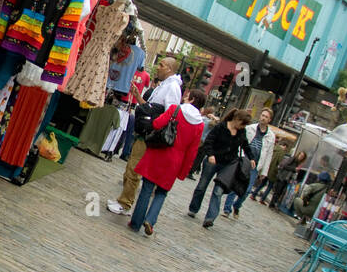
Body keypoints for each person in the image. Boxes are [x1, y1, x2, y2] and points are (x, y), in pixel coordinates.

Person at [108, 57, 184, 216]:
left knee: (134, 168)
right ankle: (123, 199)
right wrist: (138, 96)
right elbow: (151, 109)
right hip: (145, 131)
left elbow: (171, 113)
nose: (158, 68)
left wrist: (154, 127)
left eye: (161, 65)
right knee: (131, 166)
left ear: (169, 68)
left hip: (150, 134)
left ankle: (125, 203)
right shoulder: (165, 85)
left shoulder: (172, 87)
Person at [128, 92, 206, 235]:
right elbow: (192, 151)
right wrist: (183, 172)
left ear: (192, 99)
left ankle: (136, 222)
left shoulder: (175, 110)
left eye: (187, 96)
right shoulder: (199, 124)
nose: (184, 98)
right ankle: (150, 220)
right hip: (175, 160)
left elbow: (157, 124)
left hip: (159, 152)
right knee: (162, 193)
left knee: (147, 188)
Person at [187, 108, 252, 228]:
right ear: (237, 119)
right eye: (243, 124)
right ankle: (193, 208)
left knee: (218, 191)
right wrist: (210, 155)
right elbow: (209, 141)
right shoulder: (221, 127)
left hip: (228, 164)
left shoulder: (241, 132)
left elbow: (245, 145)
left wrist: (251, 158)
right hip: (213, 161)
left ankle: (210, 218)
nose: (243, 127)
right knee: (202, 186)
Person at [223, 108, 275, 219]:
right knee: (235, 185)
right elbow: (241, 142)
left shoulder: (270, 136)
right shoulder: (250, 128)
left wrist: (264, 172)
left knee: (246, 191)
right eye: (262, 115)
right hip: (244, 160)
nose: (263, 118)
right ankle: (227, 209)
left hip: (256, 165)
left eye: (266, 117)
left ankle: (237, 206)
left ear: (269, 120)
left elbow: (269, 155)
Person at [253, 139, 289, 204]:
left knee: (262, 184)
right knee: (270, 186)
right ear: (284, 146)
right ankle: (262, 199)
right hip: (273, 171)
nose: (285, 149)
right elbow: (280, 162)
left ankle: (254, 194)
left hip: (267, 169)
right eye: (285, 148)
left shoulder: (273, 148)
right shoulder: (281, 152)